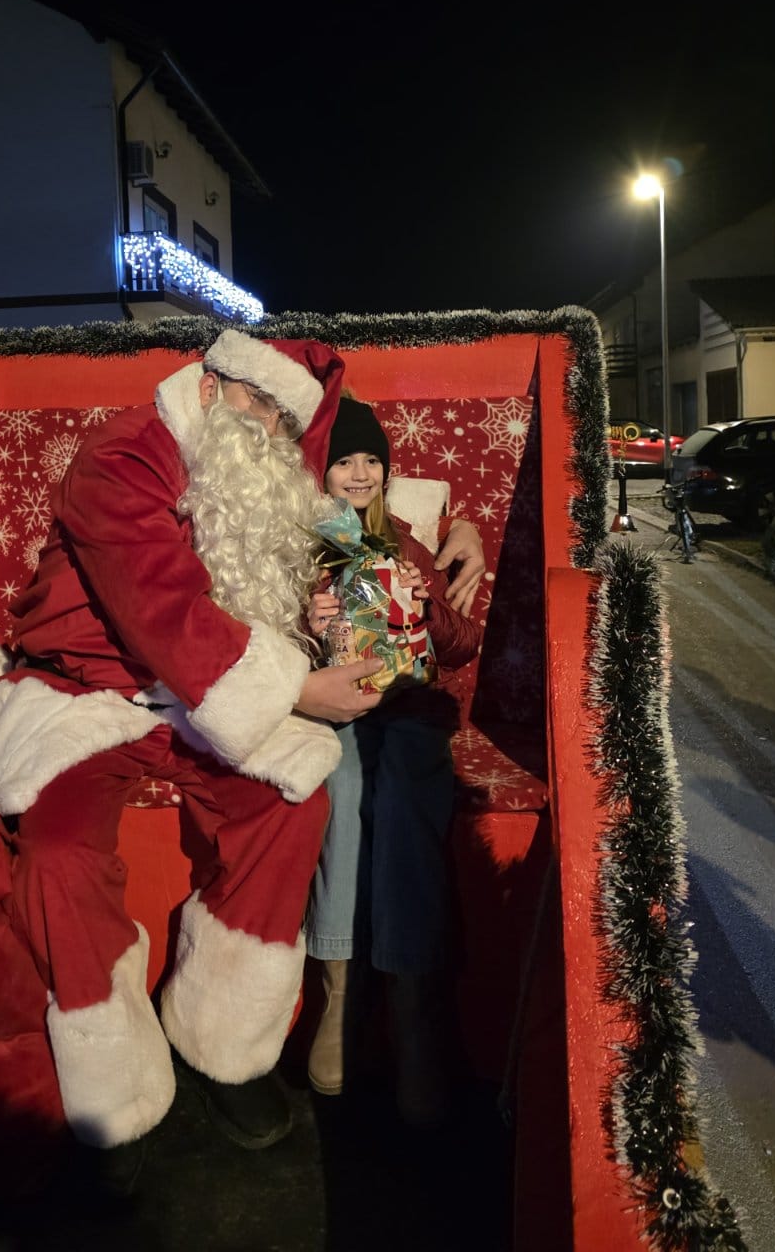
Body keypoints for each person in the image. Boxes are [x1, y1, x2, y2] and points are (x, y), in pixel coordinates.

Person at [0, 331, 486, 1192]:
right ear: (209, 381)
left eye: (281, 416)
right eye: (255, 400)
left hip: (197, 701)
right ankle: (111, 1087)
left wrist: (463, 530)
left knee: (293, 800)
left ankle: (223, 1047)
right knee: (59, 855)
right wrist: (300, 691)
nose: (264, 423)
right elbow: (161, 606)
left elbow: (364, 531)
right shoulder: (123, 454)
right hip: (89, 696)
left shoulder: (264, 479)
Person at [304, 395, 481, 1126]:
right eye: (344, 459)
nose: (360, 472)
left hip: (409, 709)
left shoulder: (409, 545)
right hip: (337, 709)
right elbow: (267, 647)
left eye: (371, 459)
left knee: (404, 795)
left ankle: (411, 1007)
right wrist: (306, 626)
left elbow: (464, 645)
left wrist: (426, 611)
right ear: (323, 470)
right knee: (342, 787)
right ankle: (340, 991)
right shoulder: (306, 545)